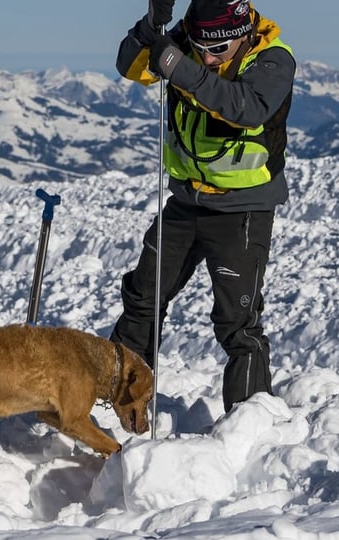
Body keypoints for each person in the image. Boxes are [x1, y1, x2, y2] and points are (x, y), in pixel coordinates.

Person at [110, 0, 295, 413]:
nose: (208, 59)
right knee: (143, 298)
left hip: (241, 209)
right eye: (200, 47)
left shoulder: (273, 59)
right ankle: (118, 403)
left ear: (244, 32)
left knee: (237, 324)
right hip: (186, 201)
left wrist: (178, 63)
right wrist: (153, 25)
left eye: (219, 51)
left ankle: (251, 426)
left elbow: (245, 108)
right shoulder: (192, 47)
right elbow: (131, 66)